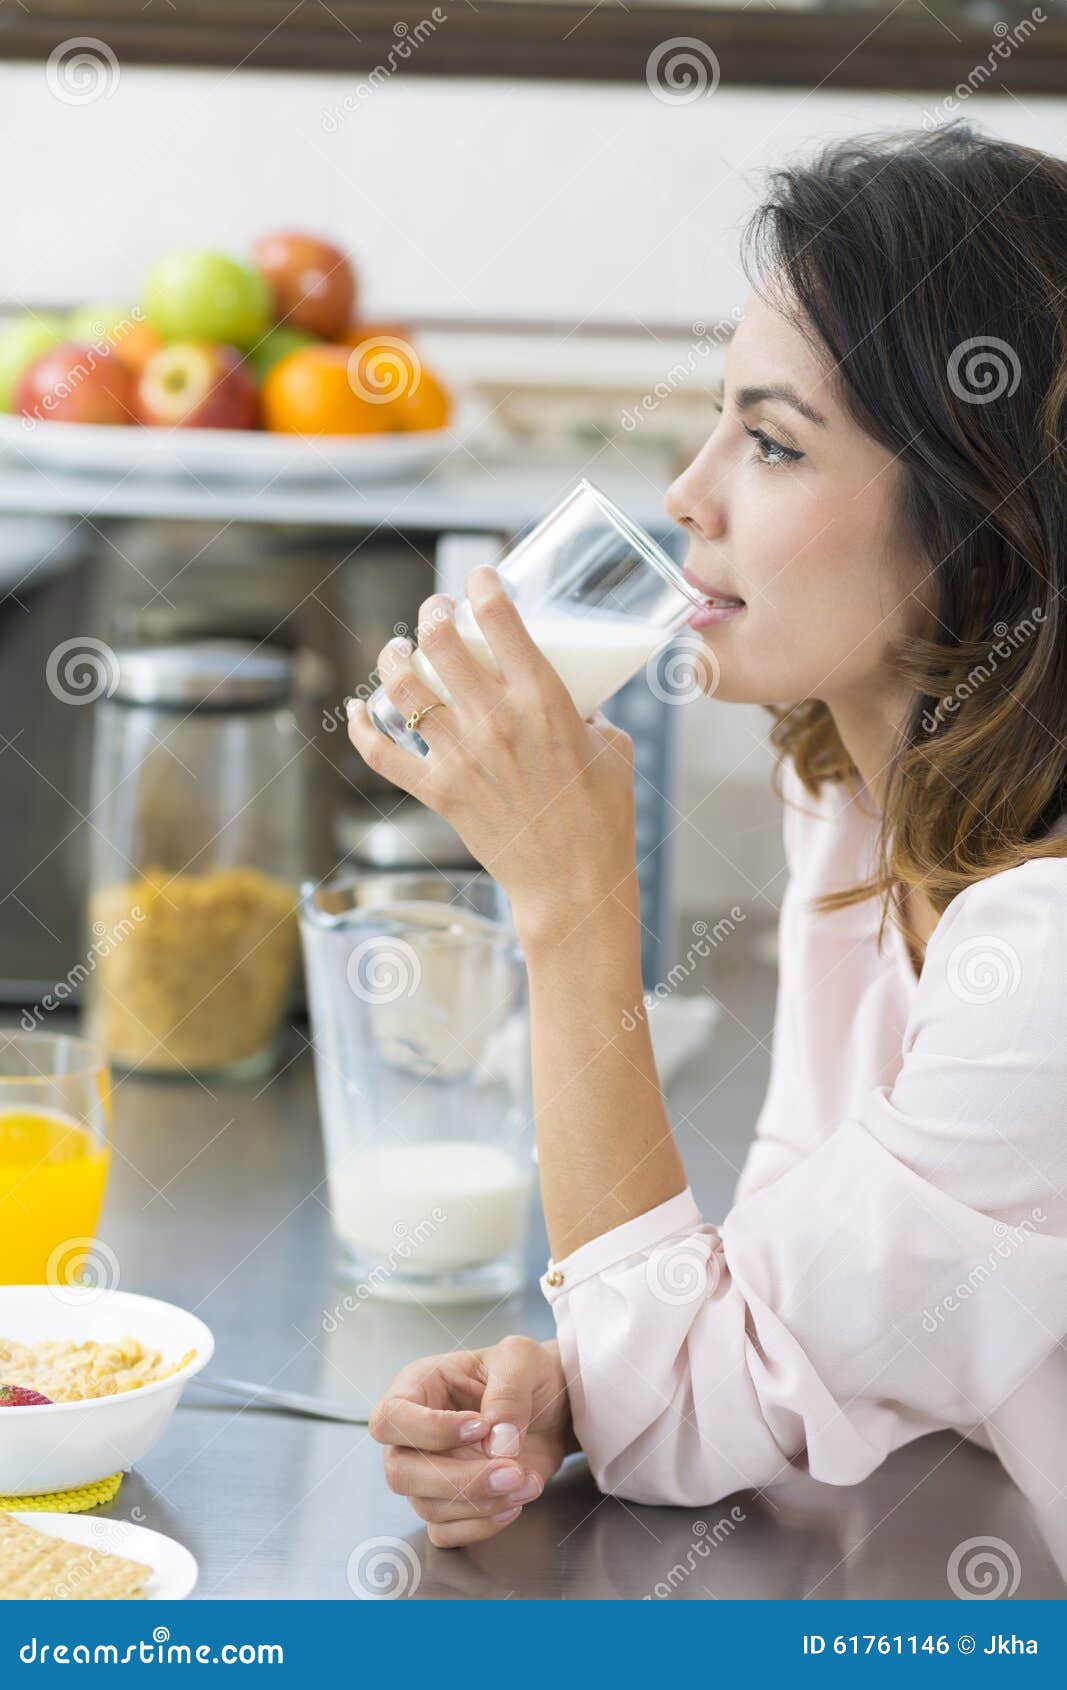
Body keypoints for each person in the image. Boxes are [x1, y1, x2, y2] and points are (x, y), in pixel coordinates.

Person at [347, 126, 1067, 1553]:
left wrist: (569, 903)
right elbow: (786, 1296)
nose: (690, 494)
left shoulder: (1043, 965)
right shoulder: (860, 803)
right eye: (719, 422)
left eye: (775, 442)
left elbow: (685, 1404)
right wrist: (581, 1379)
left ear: (986, 528)